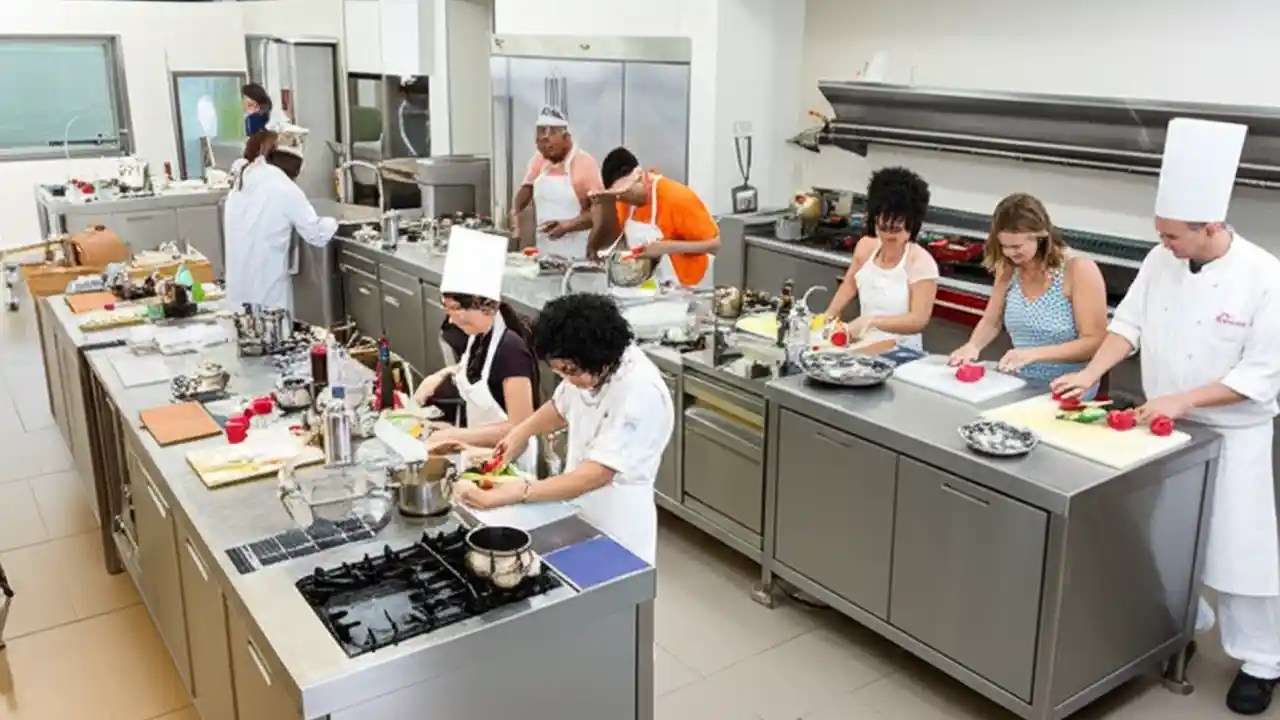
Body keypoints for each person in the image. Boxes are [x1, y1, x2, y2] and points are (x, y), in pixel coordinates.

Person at [1052, 118, 1280, 716]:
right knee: (1165, 539)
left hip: (1232, 437)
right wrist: (1088, 372)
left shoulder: (1265, 276)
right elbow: (1128, 326)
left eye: (1175, 235)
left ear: (1210, 227)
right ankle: (1183, 626)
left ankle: (1262, 659)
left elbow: (1261, 375)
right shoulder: (1161, 260)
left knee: (1238, 550)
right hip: (1165, 431)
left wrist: (1183, 398)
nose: (1165, 244)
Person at [455, 293, 674, 565]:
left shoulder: (640, 392)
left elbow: (596, 475)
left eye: (569, 370)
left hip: (618, 518)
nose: (567, 378)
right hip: (575, 502)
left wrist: (522, 491)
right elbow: (560, 407)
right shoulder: (590, 367)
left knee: (611, 592)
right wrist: (520, 433)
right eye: (560, 372)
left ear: (598, 356)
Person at [948, 193, 1108, 391]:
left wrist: (1033, 354)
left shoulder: (1078, 270)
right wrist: (973, 346)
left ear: (1040, 237)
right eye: (1004, 246)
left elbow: (1094, 342)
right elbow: (992, 321)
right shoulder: (1007, 269)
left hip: (1069, 388)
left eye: (1017, 246)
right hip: (1020, 382)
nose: (1009, 253)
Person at [415, 229, 539, 473]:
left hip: (511, 466)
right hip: (481, 457)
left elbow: (521, 428)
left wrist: (459, 435)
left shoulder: (511, 351)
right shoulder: (479, 337)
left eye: (454, 309)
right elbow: (469, 373)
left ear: (485, 306)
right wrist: (441, 375)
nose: (450, 320)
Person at [821, 167, 938, 350]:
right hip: (864, 345)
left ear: (912, 227)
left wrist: (871, 322)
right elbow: (850, 284)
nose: (888, 237)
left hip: (902, 352)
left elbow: (918, 319)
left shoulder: (921, 262)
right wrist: (829, 315)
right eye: (883, 228)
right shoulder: (866, 247)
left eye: (897, 230)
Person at [222, 130, 337, 312]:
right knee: (272, 335)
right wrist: (335, 222)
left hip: (238, 291)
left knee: (245, 334)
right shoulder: (283, 187)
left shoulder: (242, 183)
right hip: (268, 294)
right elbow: (316, 233)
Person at [593, 146, 720, 288]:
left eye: (627, 192)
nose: (623, 199)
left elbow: (717, 245)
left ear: (641, 178)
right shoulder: (624, 201)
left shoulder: (677, 198)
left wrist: (665, 247)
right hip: (651, 285)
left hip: (688, 286)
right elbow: (624, 239)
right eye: (618, 195)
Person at [510, 107, 606, 261]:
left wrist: (568, 225)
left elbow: (600, 213)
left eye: (551, 148)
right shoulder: (540, 159)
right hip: (545, 253)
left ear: (566, 138)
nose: (546, 155)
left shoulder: (585, 164)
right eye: (542, 148)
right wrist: (515, 214)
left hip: (577, 255)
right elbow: (526, 189)